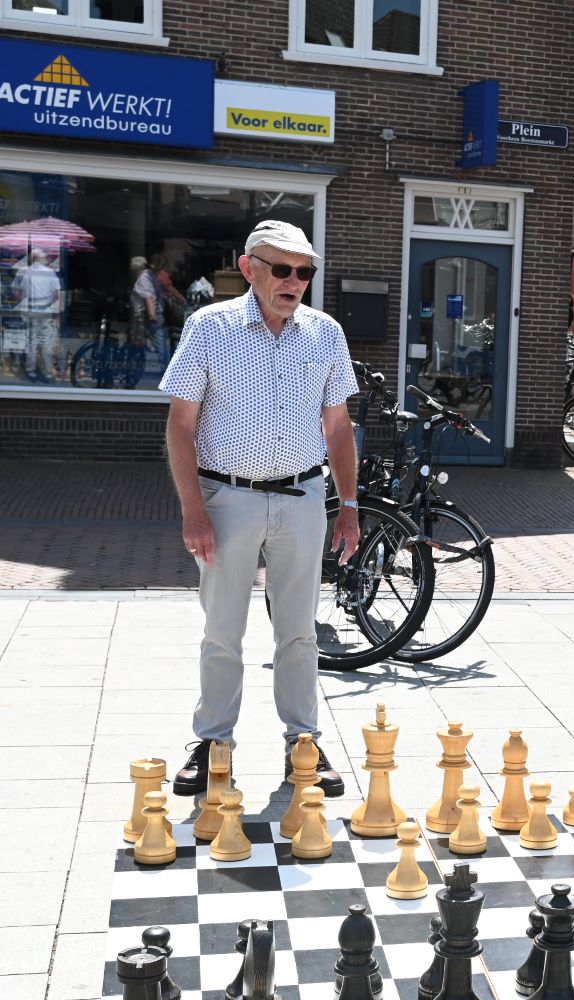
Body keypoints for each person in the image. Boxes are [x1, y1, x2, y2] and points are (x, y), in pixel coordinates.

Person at [162, 220, 361, 799]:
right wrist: (193, 509)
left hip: (303, 498)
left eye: (304, 272)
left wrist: (347, 505)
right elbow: (180, 425)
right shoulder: (208, 327)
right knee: (223, 631)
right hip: (228, 498)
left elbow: (339, 426)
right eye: (281, 269)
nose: (293, 281)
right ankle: (213, 742)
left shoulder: (326, 333)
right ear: (249, 269)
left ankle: (304, 741)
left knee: (299, 633)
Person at [16, 249, 62, 383]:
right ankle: (48, 372)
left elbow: (16, 292)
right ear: (37, 258)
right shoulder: (50, 273)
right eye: (45, 257)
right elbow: (56, 295)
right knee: (46, 341)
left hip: (29, 311)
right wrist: (56, 313)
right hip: (46, 311)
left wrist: (23, 305)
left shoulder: (23, 271)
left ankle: (31, 371)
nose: (47, 259)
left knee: (31, 342)